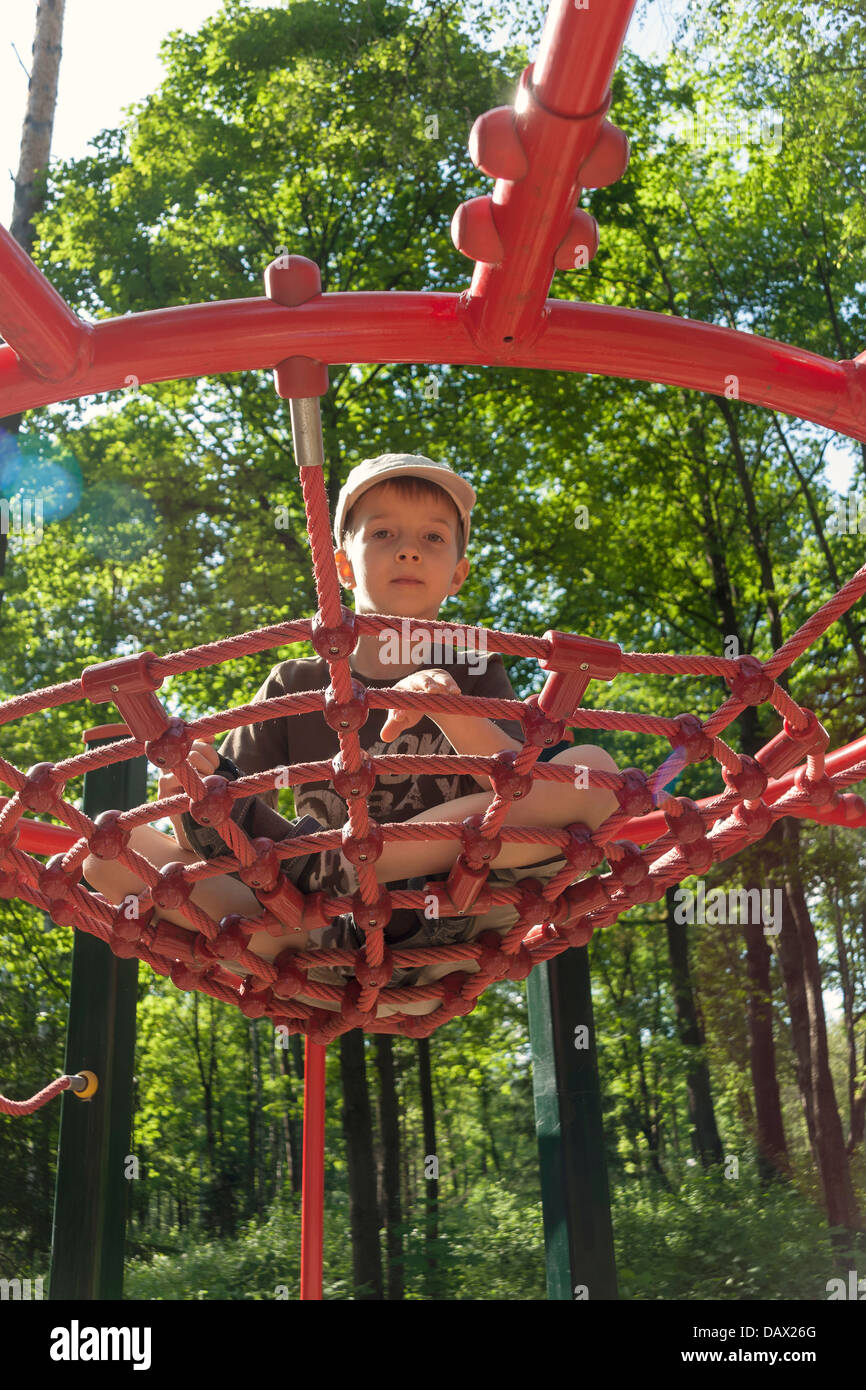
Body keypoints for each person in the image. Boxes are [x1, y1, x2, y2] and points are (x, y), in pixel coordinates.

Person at [84, 454, 620, 1017]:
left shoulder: (476, 670)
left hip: (450, 924)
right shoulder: (298, 684)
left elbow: (520, 782)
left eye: (432, 537)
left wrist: (451, 710)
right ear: (342, 563)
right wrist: (186, 781)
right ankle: (326, 871)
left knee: (594, 773)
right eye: (384, 532)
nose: (408, 549)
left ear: (458, 572)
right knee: (111, 854)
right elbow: (219, 826)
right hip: (314, 941)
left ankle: (360, 858)